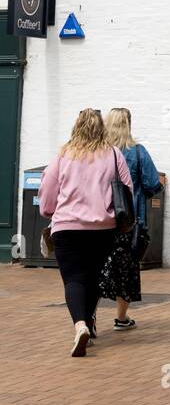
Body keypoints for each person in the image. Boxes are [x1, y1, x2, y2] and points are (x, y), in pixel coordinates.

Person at [38, 108, 133, 357]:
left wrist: (49, 211)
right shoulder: (113, 154)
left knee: (74, 279)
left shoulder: (63, 154)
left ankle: (80, 325)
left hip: (67, 227)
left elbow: (48, 189)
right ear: (101, 128)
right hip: (103, 228)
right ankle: (88, 323)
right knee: (92, 278)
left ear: (76, 126)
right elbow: (127, 188)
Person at [98, 108, 162, 331]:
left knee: (97, 268)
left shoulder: (98, 152)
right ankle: (121, 318)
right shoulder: (137, 152)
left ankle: (89, 318)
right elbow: (153, 184)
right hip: (128, 222)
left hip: (99, 219)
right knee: (125, 270)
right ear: (129, 124)